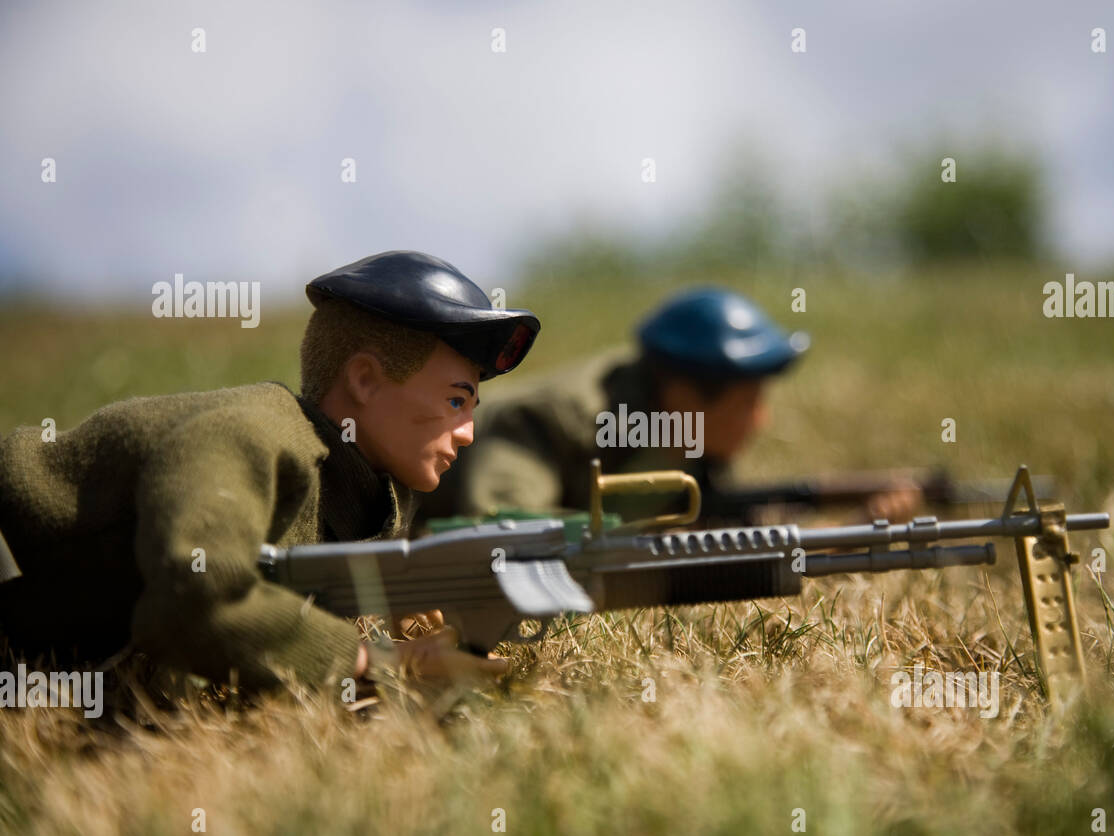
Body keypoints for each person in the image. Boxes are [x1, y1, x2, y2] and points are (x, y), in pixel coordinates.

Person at [0, 250, 535, 697]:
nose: (467, 432)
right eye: (454, 401)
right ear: (366, 381)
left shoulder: (363, 489)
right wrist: (378, 664)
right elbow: (194, 599)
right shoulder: (248, 439)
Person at [420, 286, 921, 525]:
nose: (762, 420)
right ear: (684, 397)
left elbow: (699, 521)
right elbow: (498, 529)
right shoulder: (560, 421)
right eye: (749, 402)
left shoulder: (671, 430)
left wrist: (850, 531)